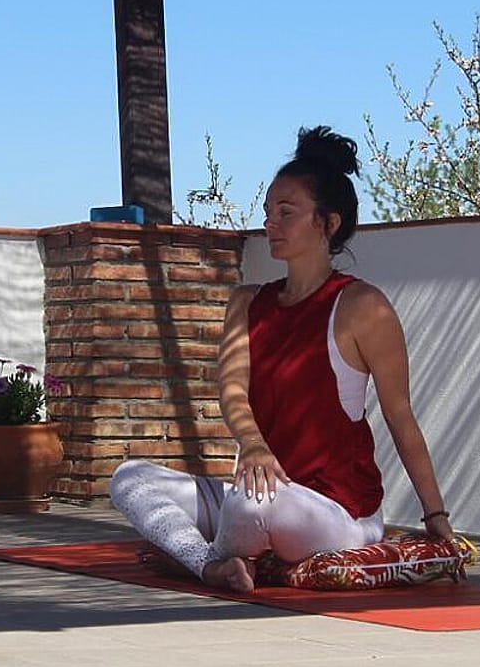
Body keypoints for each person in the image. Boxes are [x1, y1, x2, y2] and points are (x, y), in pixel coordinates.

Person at [109, 125, 455, 594]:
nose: (271, 223)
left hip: (337, 511)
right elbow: (231, 390)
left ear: (328, 223)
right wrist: (252, 444)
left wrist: (435, 518)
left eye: (286, 212)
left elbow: (401, 417)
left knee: (252, 506)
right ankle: (212, 565)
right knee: (130, 478)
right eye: (268, 211)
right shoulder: (247, 302)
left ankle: (213, 557)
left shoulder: (362, 307)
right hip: (257, 487)